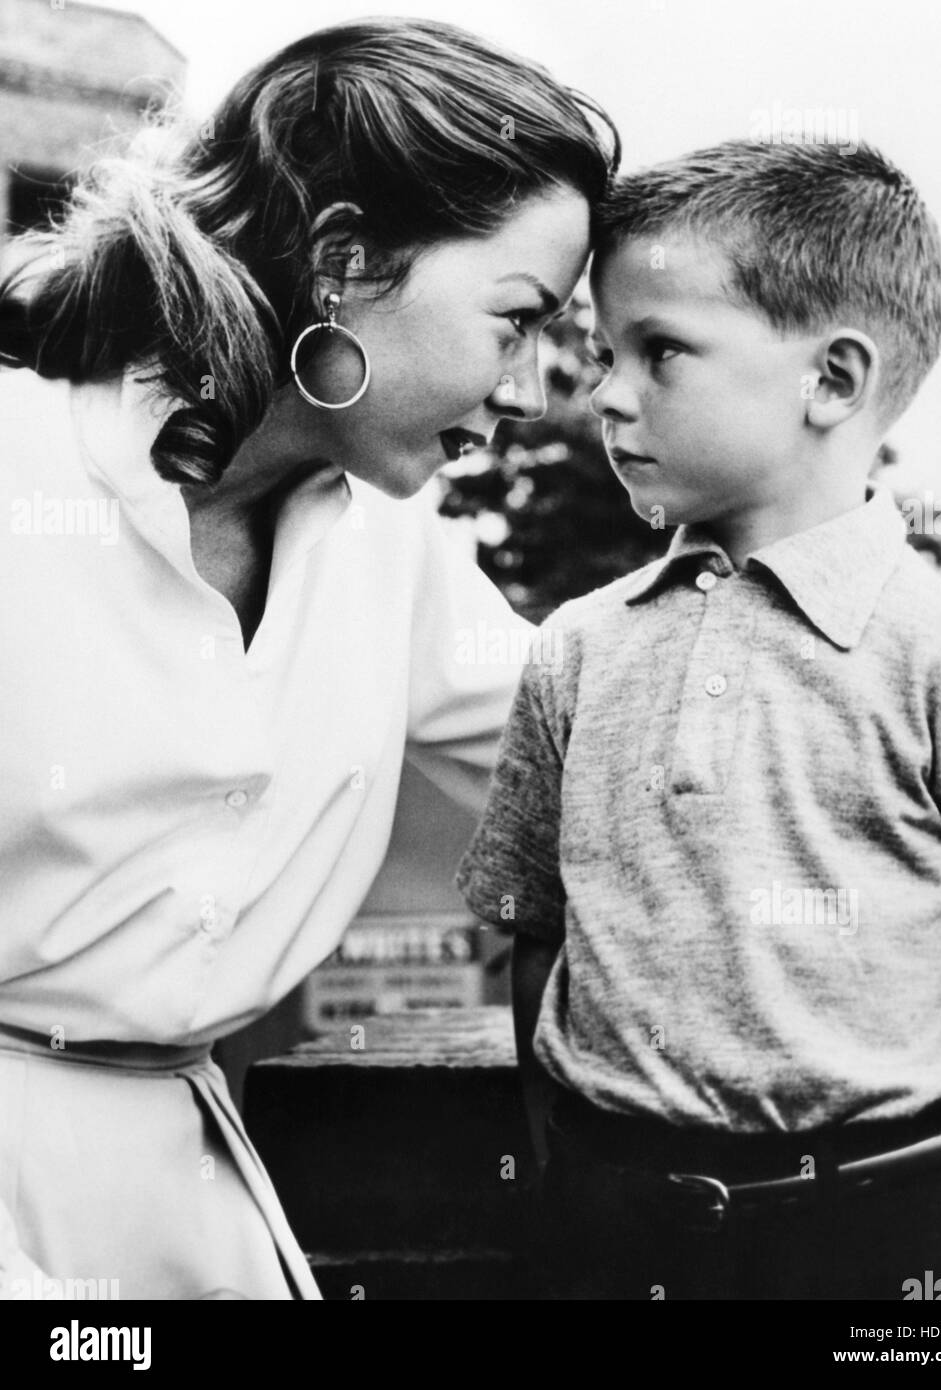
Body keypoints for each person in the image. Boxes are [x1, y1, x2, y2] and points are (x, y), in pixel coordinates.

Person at [0, 17, 618, 1300]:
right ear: (341, 259)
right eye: (517, 320)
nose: (535, 390)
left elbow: (614, 742)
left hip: (192, 1210)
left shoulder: (391, 545)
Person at [457, 139, 941, 1299]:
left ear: (832, 381)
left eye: (659, 351)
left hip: (881, 1236)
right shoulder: (575, 649)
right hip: (607, 1227)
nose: (604, 392)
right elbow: (532, 935)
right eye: (605, 351)